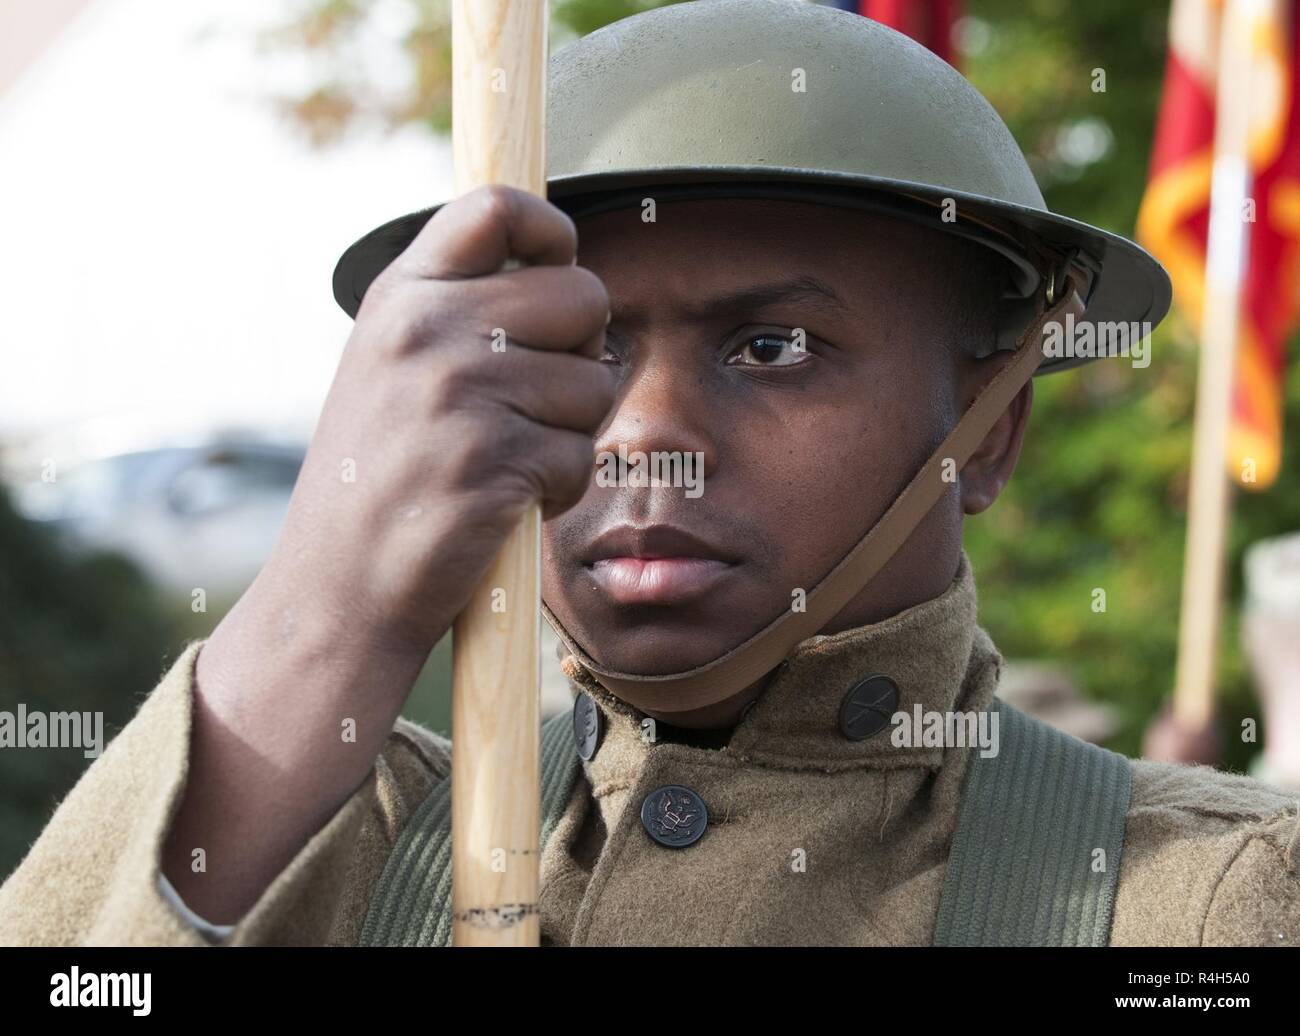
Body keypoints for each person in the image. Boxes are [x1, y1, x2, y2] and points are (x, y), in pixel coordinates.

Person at [2, 0, 1297, 947]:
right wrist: (328, 597)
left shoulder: (1205, 908)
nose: (644, 431)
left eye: (772, 347)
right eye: (587, 341)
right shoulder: (319, 849)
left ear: (990, 432)